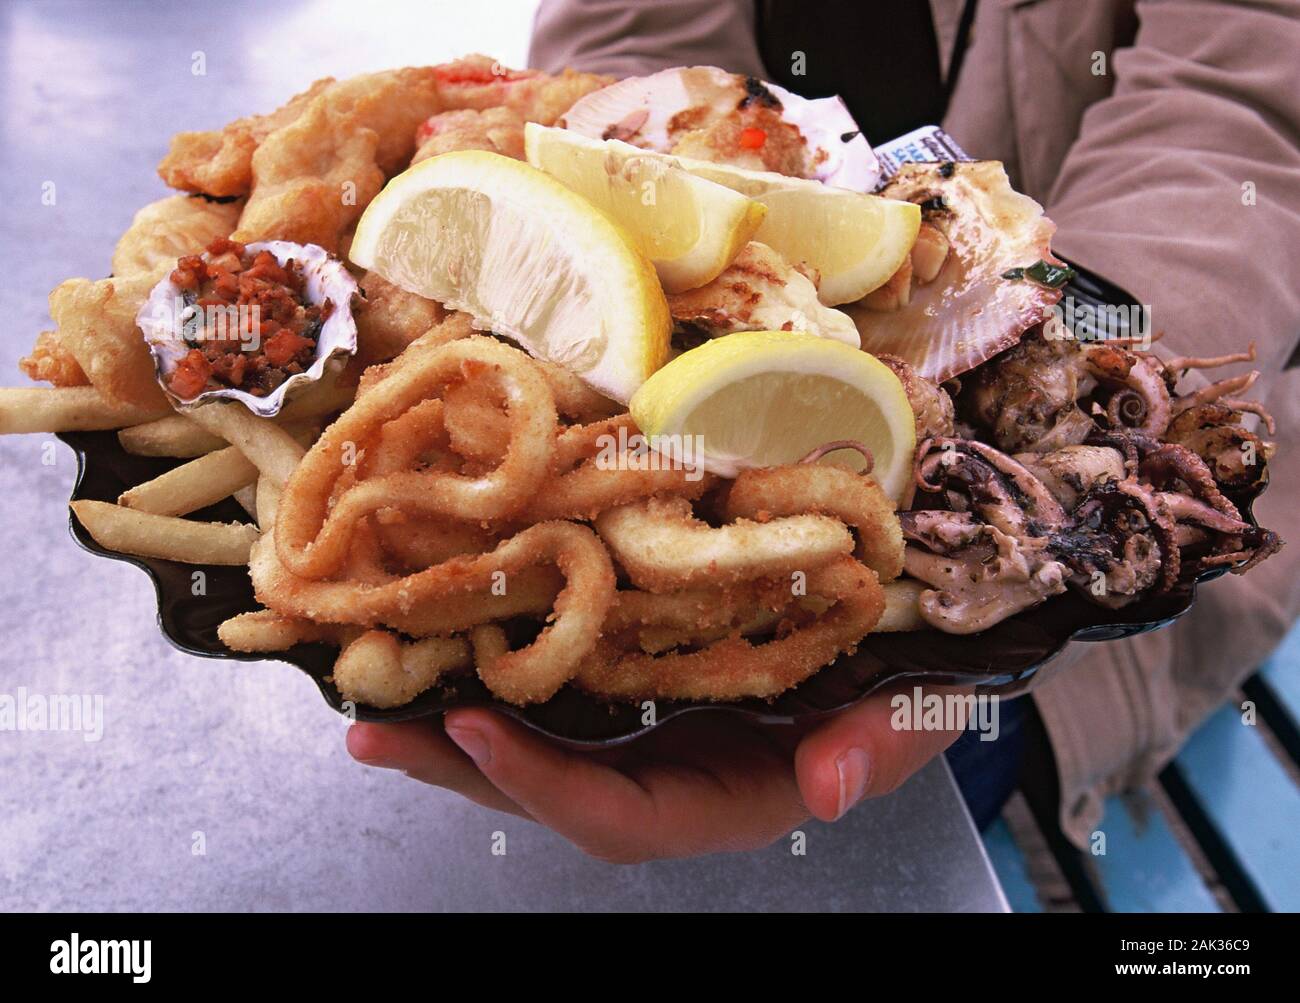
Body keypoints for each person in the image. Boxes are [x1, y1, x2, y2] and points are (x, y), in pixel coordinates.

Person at [346, 0, 1300, 862]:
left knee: (895, 814)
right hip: (721, 400)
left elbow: (1246, 94)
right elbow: (633, 47)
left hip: (1057, 583)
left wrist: (1086, 344)